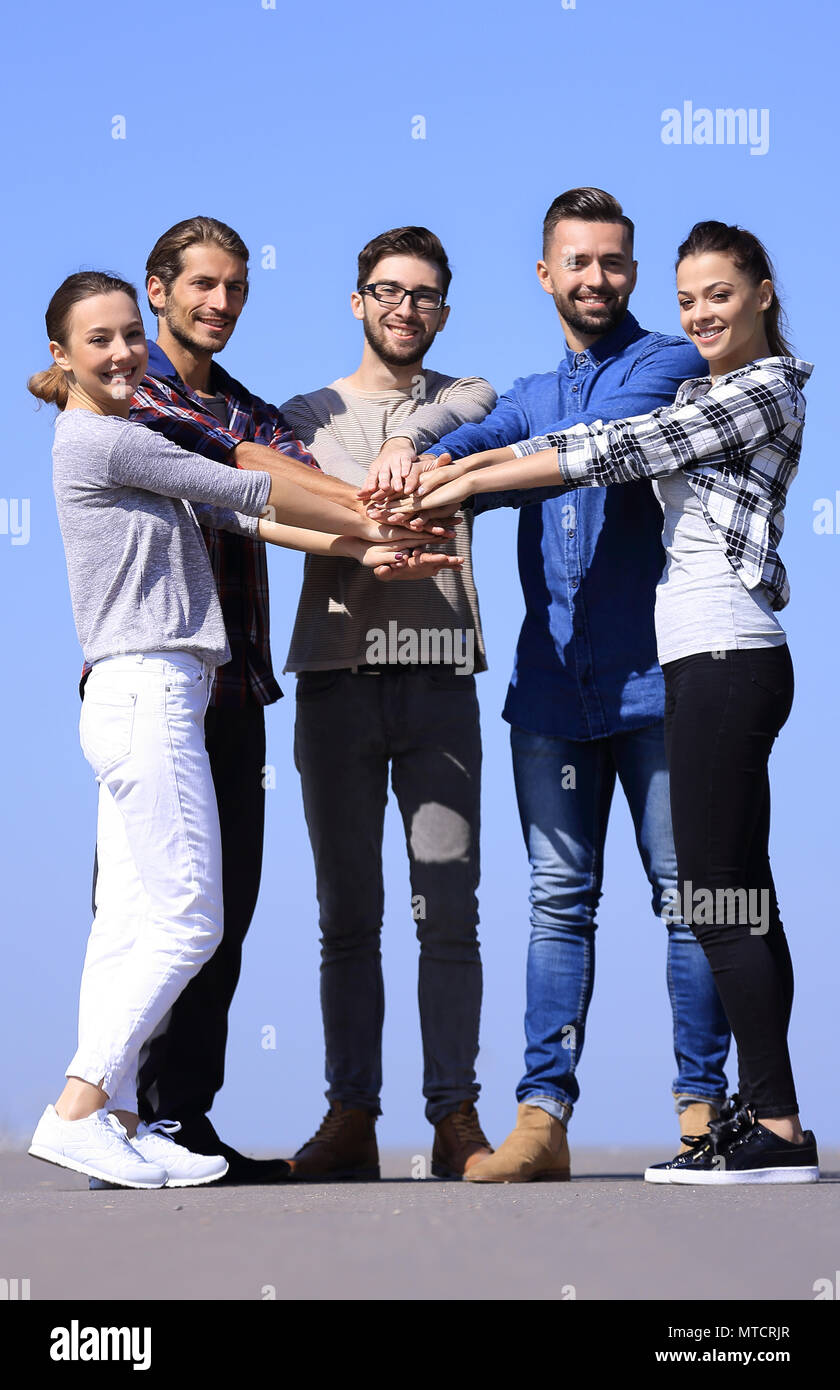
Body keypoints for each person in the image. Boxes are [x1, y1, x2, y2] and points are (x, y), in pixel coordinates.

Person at [28, 270, 454, 1189]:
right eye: (97, 339)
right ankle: (76, 1105)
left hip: (146, 692)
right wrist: (373, 507)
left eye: (129, 336)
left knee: (132, 925)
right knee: (189, 921)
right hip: (148, 691)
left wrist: (361, 545)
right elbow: (246, 483)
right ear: (60, 357)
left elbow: (233, 508)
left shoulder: (121, 438)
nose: (121, 352)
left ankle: (120, 1120)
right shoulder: (106, 439)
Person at [416, 221, 819, 1184]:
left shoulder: (729, 382)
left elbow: (615, 448)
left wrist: (463, 481)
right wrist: (440, 458)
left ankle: (744, 1122)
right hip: (652, 667)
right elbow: (537, 430)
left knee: (711, 901)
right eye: (691, 299)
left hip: (708, 661)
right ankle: (750, 1120)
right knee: (718, 899)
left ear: (763, 291)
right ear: (545, 272)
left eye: (720, 293)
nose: (702, 314)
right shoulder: (676, 384)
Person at [368, 189, 731, 1183]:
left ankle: (704, 1112)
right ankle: (542, 1121)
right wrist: (414, 453)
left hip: (658, 688)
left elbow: (581, 460)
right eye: (578, 262)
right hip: (550, 695)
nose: (596, 279)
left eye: (613, 262)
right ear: (546, 274)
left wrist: (465, 477)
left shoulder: (665, 366)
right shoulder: (532, 388)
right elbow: (473, 439)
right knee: (558, 902)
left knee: (688, 901)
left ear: (634, 271)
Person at [279, 226, 498, 1180]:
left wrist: (412, 440)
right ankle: (350, 1119)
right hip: (335, 678)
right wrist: (357, 530)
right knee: (347, 914)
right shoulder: (302, 412)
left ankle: (455, 1118)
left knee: (448, 908)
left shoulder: (467, 401)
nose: (404, 307)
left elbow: (479, 403)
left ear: (443, 309)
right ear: (357, 301)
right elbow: (269, 506)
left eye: (424, 294)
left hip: (440, 676)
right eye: (387, 290)